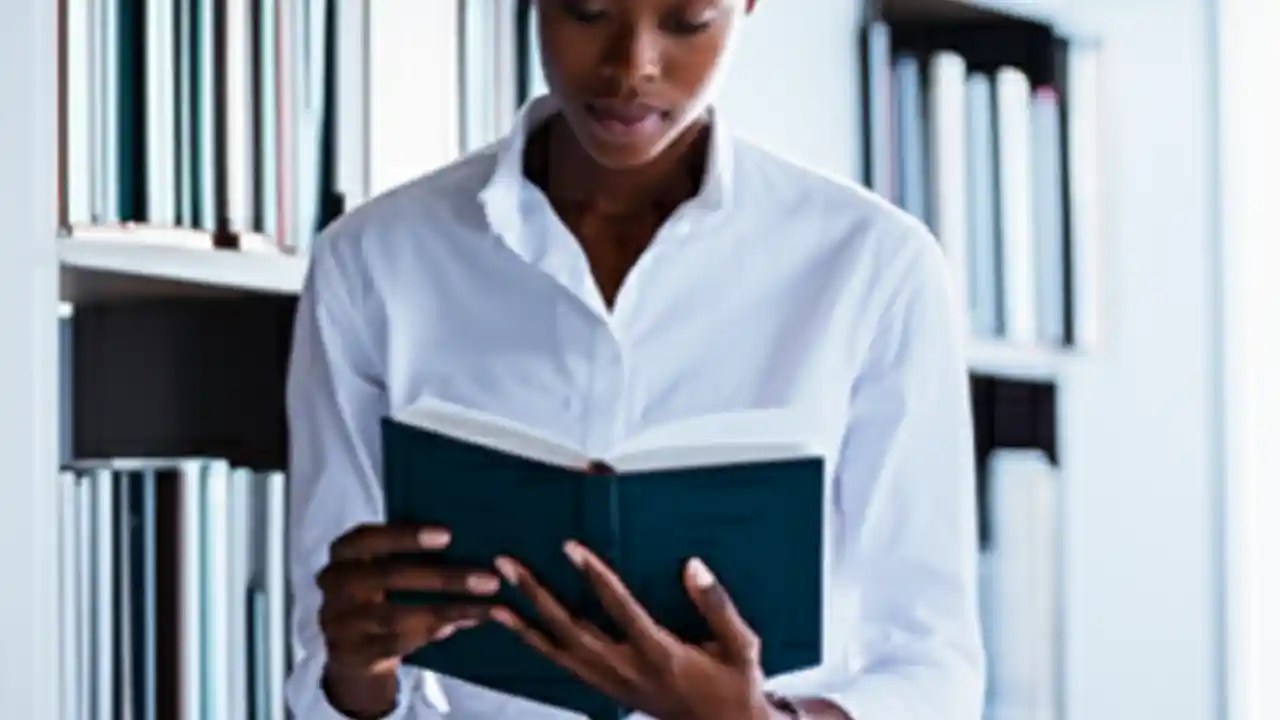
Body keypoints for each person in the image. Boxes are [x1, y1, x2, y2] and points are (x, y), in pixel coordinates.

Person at [285, 0, 984, 718]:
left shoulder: (873, 265)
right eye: (588, 11)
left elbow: (931, 671)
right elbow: (329, 674)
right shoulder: (374, 262)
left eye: (687, 21)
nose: (632, 68)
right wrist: (358, 670)